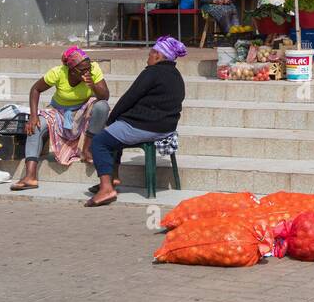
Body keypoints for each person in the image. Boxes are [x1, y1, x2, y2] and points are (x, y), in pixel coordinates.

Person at [86, 36, 188, 208]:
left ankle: (106, 188)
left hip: (147, 126)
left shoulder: (152, 73)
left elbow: (129, 98)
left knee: (99, 141)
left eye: (150, 54)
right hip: (166, 127)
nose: (147, 58)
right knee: (116, 131)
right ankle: (113, 178)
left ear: (157, 55)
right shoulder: (176, 75)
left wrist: (110, 120)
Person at [11, 46, 110, 191]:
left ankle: (87, 150)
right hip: (59, 110)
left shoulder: (93, 69)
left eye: (88, 68)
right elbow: (35, 89)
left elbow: (105, 96)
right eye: (82, 70)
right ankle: (30, 176)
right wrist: (33, 116)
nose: (87, 72)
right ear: (72, 69)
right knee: (35, 126)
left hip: (84, 109)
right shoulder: (58, 72)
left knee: (102, 107)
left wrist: (92, 85)